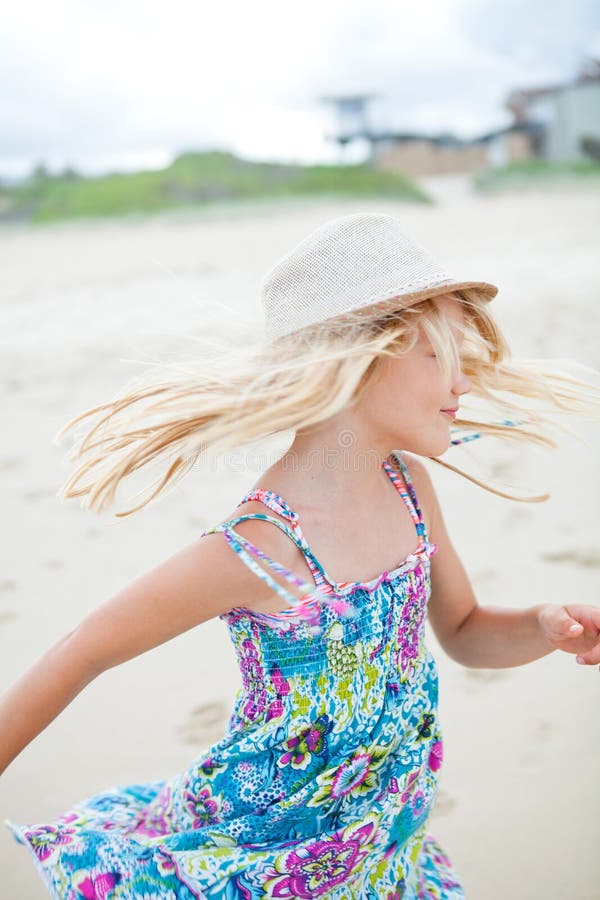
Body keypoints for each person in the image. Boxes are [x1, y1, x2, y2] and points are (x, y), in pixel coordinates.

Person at [2, 212, 600, 899]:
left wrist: (543, 626)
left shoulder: (409, 488)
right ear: (359, 359)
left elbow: (464, 632)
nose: (463, 383)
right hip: (272, 853)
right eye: (441, 356)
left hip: (377, 845)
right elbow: (83, 650)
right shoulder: (261, 546)